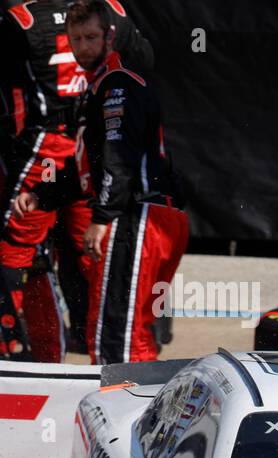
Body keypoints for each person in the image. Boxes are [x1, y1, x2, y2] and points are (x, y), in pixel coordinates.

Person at [12, 0, 185, 364]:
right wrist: (42, 195)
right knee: (110, 333)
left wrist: (102, 218)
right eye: (76, 39)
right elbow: (86, 169)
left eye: (91, 37)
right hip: (145, 215)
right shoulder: (97, 87)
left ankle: (130, 417)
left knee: (117, 343)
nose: (83, 46)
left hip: (140, 216)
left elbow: (117, 156)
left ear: (109, 36)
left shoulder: (116, 83)